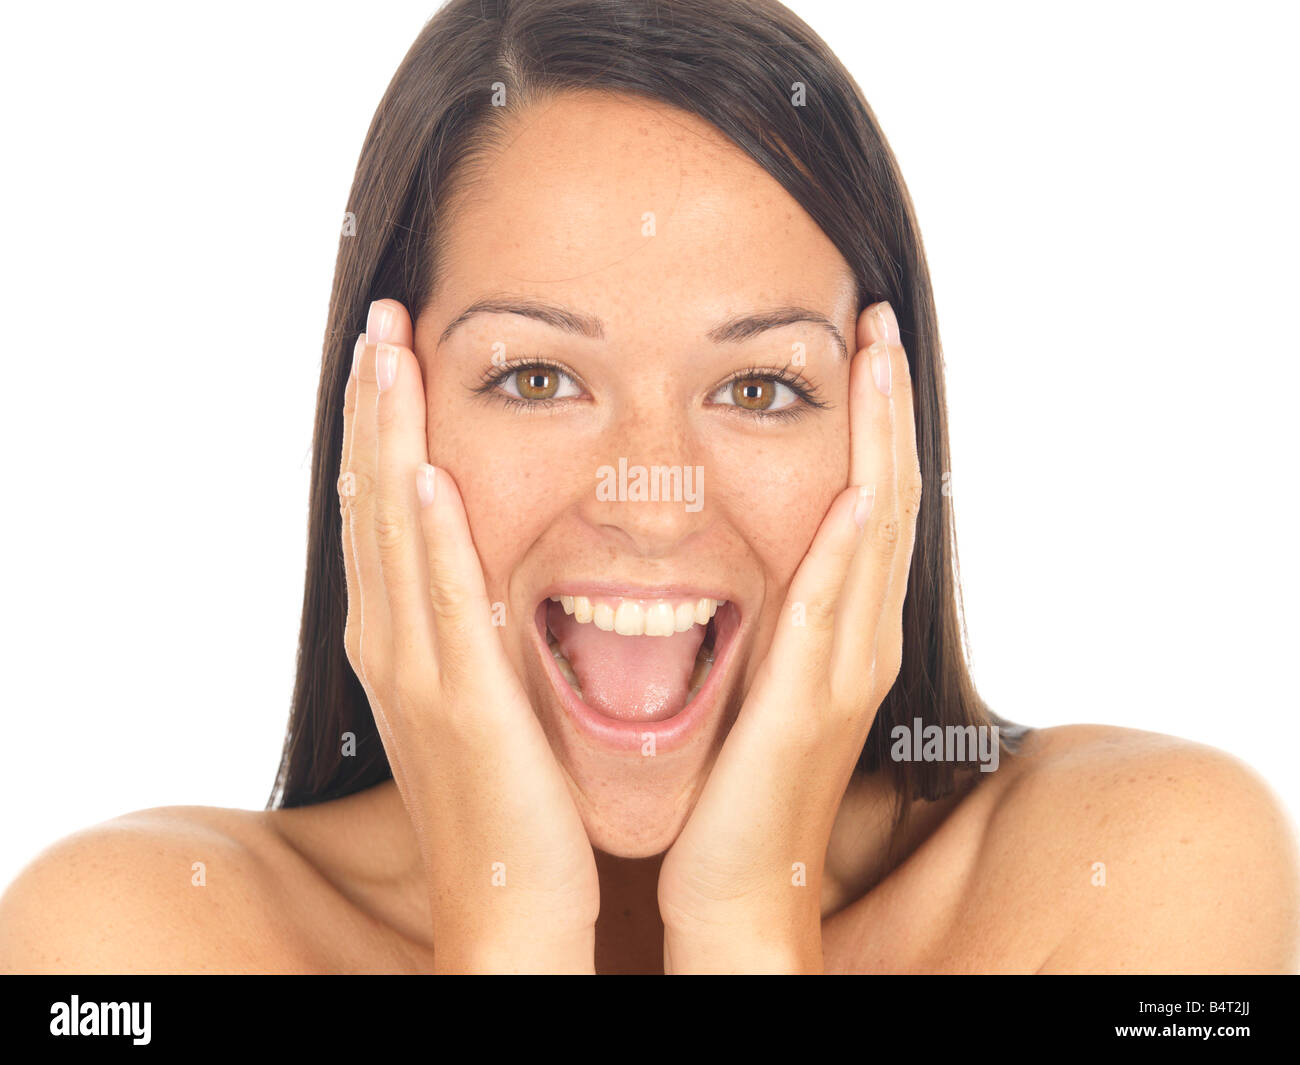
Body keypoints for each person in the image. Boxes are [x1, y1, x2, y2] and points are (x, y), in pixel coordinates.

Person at [2, 0, 1295, 974]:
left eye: (760, 387)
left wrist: (746, 915)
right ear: (376, 433)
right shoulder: (127, 943)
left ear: (891, 441)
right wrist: (513, 921)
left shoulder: (1147, 880)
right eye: (535, 376)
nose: (654, 495)